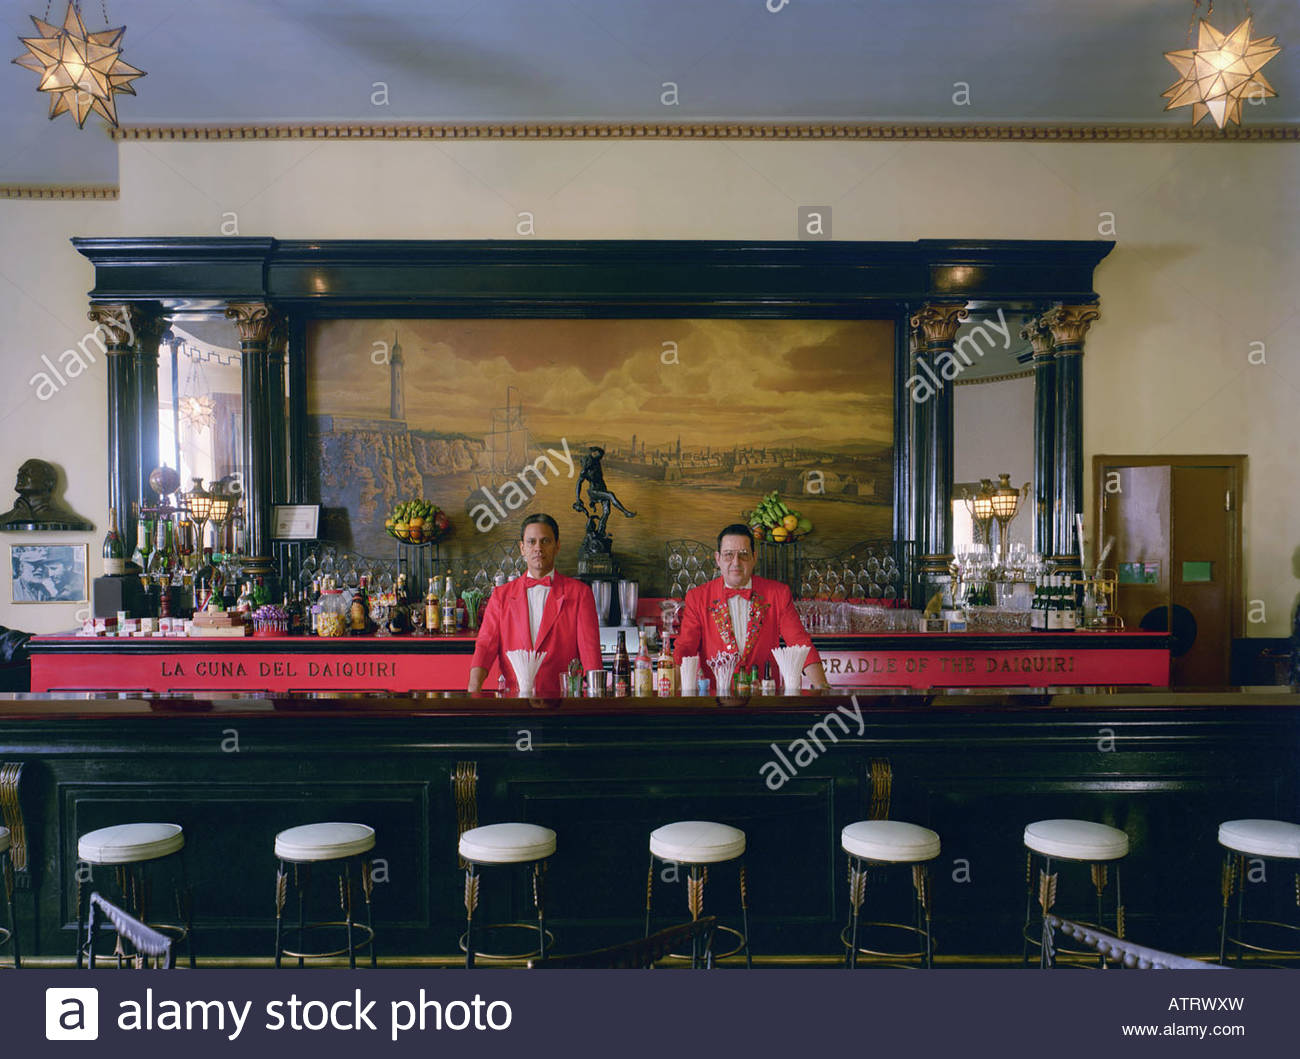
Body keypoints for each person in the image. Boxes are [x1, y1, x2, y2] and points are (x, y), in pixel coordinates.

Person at [674, 523, 830, 691]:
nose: (736, 562)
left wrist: (823, 687)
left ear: (754, 558)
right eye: (728, 555)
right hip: (716, 698)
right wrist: (668, 694)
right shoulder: (698, 597)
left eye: (743, 554)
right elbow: (685, 648)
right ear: (717, 559)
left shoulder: (778, 593)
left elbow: (800, 643)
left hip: (765, 697)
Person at [468, 513, 604, 696]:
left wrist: (596, 699)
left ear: (557, 546)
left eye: (545, 541)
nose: (538, 548)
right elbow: (485, 646)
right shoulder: (501, 596)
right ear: (522, 548)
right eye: (531, 542)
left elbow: (590, 652)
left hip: (563, 702)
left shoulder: (580, 593)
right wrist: (473, 689)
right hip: (514, 701)